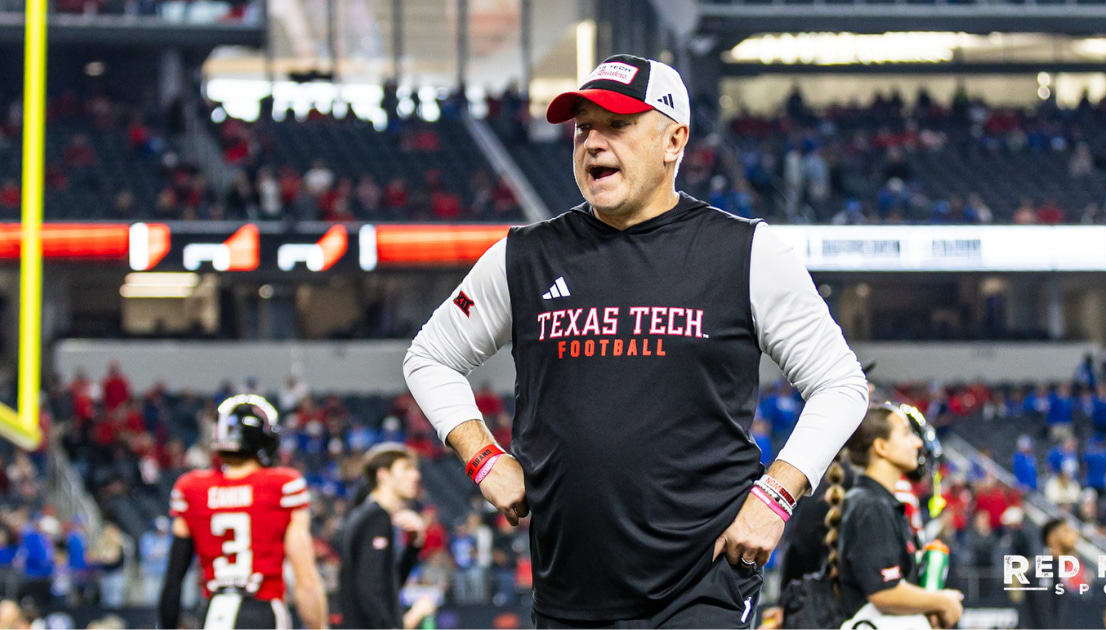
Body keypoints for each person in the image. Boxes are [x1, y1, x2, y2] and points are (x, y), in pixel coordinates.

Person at [403, 53, 868, 628]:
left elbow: (841, 384)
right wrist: (481, 456)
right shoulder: (523, 256)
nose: (593, 143)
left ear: (674, 141)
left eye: (617, 125)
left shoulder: (746, 252)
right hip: (569, 588)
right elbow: (429, 358)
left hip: (705, 581)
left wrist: (775, 497)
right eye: (582, 129)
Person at [158, 394, 327, 630]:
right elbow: (306, 579)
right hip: (263, 610)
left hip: (214, 613)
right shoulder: (282, 485)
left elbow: (173, 581)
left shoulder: (191, 488)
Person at [826, 405, 964, 629]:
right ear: (881, 447)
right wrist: (943, 601)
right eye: (906, 433)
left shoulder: (880, 502)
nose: (917, 443)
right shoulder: (871, 505)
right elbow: (884, 593)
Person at [339, 443, 437, 629]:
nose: (416, 475)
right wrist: (413, 616)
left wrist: (413, 546)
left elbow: (387, 585)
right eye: (406, 468)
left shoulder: (368, 515)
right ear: (383, 474)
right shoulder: (376, 517)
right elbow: (369, 591)